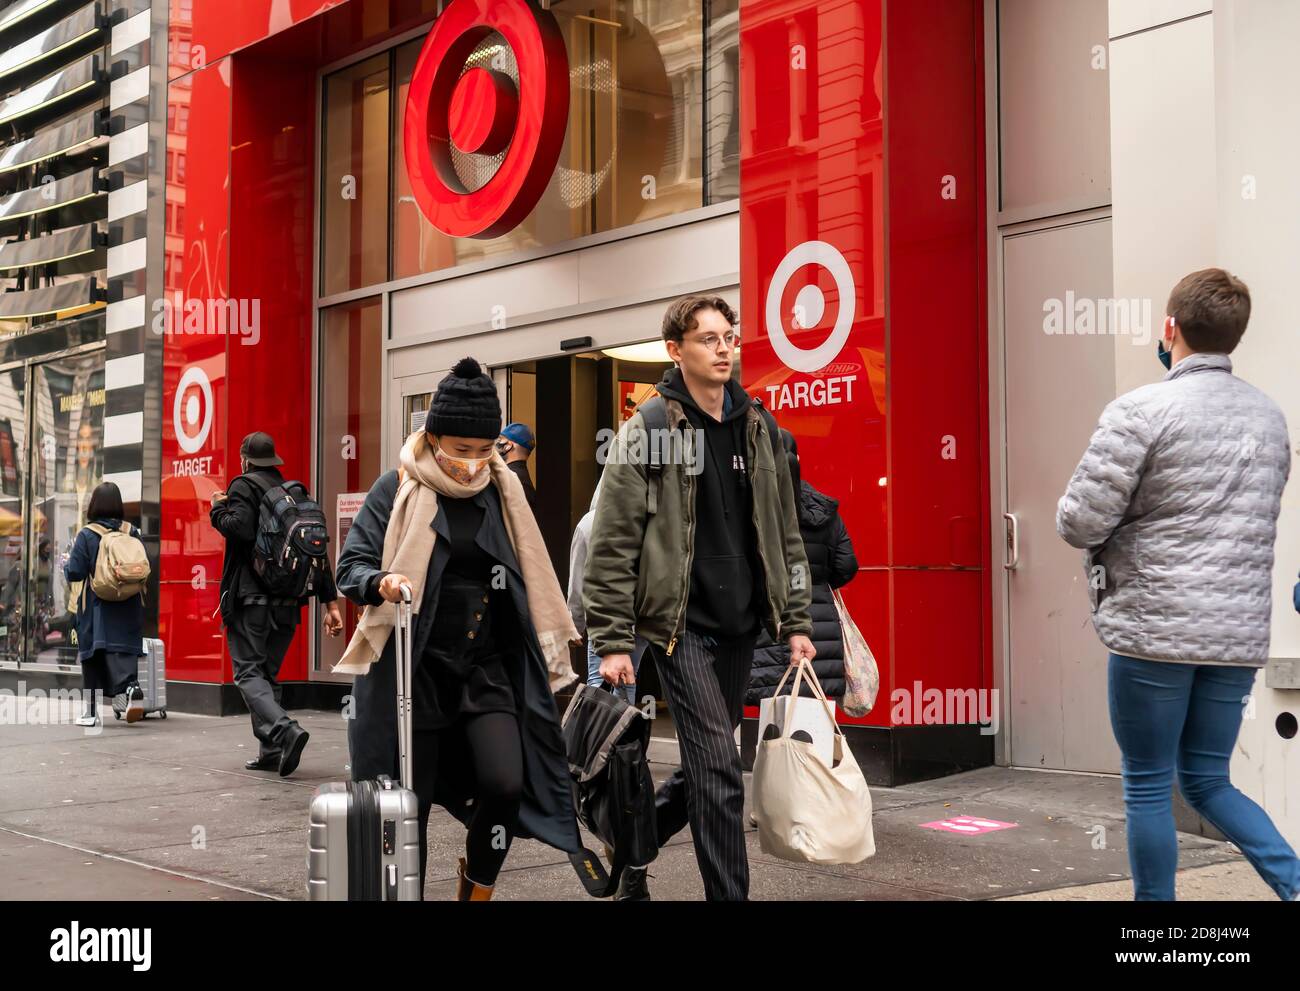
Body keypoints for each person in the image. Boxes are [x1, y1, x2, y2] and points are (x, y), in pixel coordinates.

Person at [1057, 268, 1299, 902]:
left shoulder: (1141, 410)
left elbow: (1078, 521)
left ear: (1171, 329)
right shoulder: (1270, 419)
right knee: (1208, 781)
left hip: (1152, 631)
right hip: (1236, 637)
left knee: (1146, 781)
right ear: (1234, 336)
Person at [584, 294, 814, 901]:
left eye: (729, 338)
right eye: (707, 339)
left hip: (741, 625)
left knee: (707, 768)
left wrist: (795, 619)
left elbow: (785, 532)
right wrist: (610, 640)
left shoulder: (758, 426)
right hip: (678, 627)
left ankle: (633, 841)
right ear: (675, 351)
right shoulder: (651, 430)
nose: (722, 349)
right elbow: (612, 542)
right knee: (718, 768)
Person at [335, 358, 582, 900]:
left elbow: (529, 573)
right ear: (432, 437)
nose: (471, 464)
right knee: (408, 808)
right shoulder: (396, 487)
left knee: (505, 783)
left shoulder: (505, 491)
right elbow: (349, 567)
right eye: (459, 449)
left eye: (483, 449)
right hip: (411, 670)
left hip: (485, 669)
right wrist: (381, 580)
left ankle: (476, 885)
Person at [210, 432, 343, 776]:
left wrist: (217, 508)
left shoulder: (243, 486)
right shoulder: (292, 492)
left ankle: (285, 730)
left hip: (252, 600)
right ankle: (270, 749)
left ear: (245, 459)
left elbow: (238, 528)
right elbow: (318, 552)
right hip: (287, 601)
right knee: (267, 675)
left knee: (248, 673)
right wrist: (331, 603)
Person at [745, 429, 856, 708]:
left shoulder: (755, 506)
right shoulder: (824, 509)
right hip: (818, 620)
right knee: (812, 709)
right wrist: (816, 581)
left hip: (770, 622)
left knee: (773, 709)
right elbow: (847, 565)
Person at [65, 482, 146, 727]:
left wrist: (67, 565)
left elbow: (76, 573)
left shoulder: (88, 534)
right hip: (130, 602)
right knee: (125, 649)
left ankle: (91, 712)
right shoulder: (132, 531)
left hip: (96, 605)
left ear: (94, 504)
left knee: (91, 655)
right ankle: (132, 689)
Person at [567, 474, 647, 704]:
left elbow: (578, 581)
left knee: (598, 682)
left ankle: (598, 735)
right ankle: (621, 735)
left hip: (602, 616)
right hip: (640, 616)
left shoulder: (589, 523)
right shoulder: (647, 521)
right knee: (627, 678)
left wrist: (574, 624)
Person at [497, 422, 538, 511]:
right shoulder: (522, 478)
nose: (497, 444)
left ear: (508, 446)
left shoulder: (510, 478)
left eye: (500, 440)